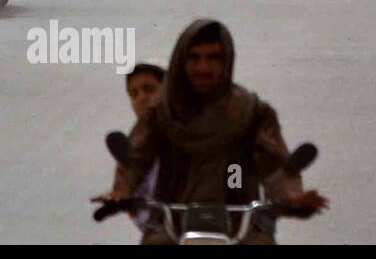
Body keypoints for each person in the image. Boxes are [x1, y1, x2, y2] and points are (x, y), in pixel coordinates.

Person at [101, 19, 329, 245]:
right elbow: (136, 159)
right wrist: (121, 192)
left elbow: (274, 168)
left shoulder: (251, 112)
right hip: (169, 224)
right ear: (181, 61)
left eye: (213, 58)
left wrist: (292, 195)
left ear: (227, 60)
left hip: (239, 222)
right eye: (194, 58)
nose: (203, 68)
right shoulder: (160, 114)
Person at [123, 63, 165, 232]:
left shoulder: (199, 127)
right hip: (160, 232)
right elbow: (126, 181)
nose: (141, 98)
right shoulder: (134, 142)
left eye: (149, 89)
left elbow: (233, 166)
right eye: (134, 94)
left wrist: (235, 188)